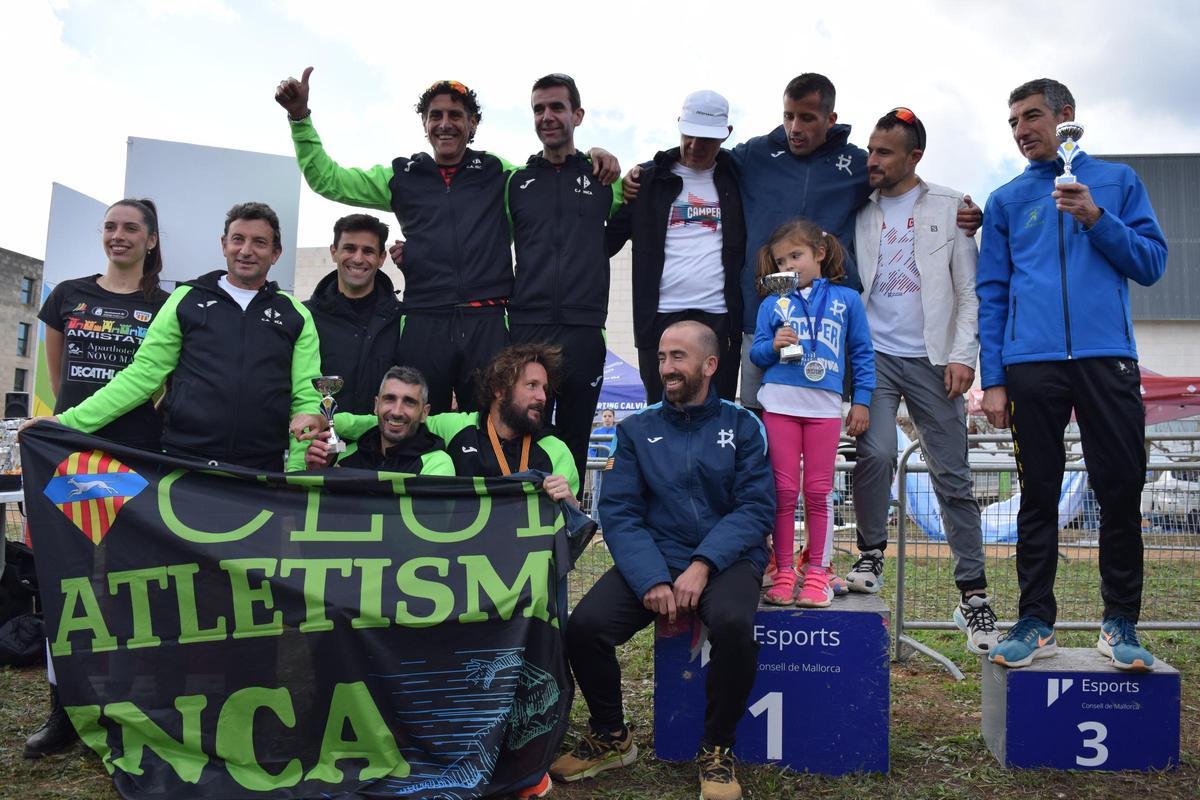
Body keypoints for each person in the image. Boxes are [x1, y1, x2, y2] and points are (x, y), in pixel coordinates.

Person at [275, 68, 617, 415]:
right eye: (434, 116)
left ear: (472, 125)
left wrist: (592, 158)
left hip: (489, 322)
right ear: (424, 126)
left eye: (456, 115)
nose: (445, 123)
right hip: (425, 321)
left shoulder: (499, 173)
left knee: (493, 429)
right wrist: (300, 118)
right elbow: (328, 180)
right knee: (418, 427)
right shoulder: (400, 176)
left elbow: (553, 178)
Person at [978, 79, 1167, 671]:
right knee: (1037, 495)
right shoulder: (1006, 199)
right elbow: (993, 293)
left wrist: (1096, 217)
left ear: (1067, 118)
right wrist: (995, 377)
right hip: (1030, 364)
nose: (1021, 130)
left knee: (1119, 489)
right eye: (1013, 121)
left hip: (1106, 356)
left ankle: (1120, 624)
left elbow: (1152, 263)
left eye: (1031, 116)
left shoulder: (1117, 181)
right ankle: (1035, 622)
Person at [551, 321, 774, 800]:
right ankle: (612, 735)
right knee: (584, 627)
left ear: (710, 365)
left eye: (678, 357)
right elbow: (620, 511)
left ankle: (717, 750)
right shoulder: (636, 429)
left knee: (734, 624)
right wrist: (652, 577)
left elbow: (755, 507)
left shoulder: (742, 424)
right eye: (661, 358)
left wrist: (704, 564)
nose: (667, 368)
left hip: (727, 558)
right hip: (657, 555)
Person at [731, 74, 981, 411]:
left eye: (807, 118)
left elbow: (903, 180)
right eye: (789, 115)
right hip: (762, 318)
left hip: (830, 326)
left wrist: (964, 211)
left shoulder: (857, 165)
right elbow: (700, 161)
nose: (795, 128)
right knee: (758, 423)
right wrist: (646, 170)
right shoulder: (756, 154)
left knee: (821, 423)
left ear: (830, 119)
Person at [24, 198, 170, 759]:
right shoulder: (67, 295)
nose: (119, 236)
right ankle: (64, 710)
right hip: (74, 460)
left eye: (131, 228)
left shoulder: (166, 305)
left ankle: (130, 708)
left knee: (132, 587)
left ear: (151, 240)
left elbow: (156, 384)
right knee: (70, 583)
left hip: (136, 457)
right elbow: (62, 381)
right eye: (110, 226)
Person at [849, 108, 999, 654]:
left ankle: (973, 597)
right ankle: (869, 554)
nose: (873, 160)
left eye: (885, 152)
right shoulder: (857, 204)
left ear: (914, 157)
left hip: (936, 361)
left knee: (953, 478)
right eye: (871, 149)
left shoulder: (950, 206)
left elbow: (970, 290)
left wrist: (964, 355)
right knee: (877, 452)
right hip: (875, 356)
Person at [27, 202, 324, 472]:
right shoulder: (187, 298)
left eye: (259, 242)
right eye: (238, 239)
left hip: (262, 469)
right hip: (184, 464)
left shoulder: (296, 313)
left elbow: (307, 397)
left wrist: (296, 470)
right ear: (224, 245)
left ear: (276, 253)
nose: (246, 250)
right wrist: (68, 421)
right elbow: (143, 376)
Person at [750, 220, 874, 607]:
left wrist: (863, 399)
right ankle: (785, 571)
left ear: (819, 254)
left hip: (824, 409)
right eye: (780, 261)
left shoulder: (847, 299)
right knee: (784, 493)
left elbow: (862, 353)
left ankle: (817, 573)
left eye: (796, 256)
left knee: (819, 492)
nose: (789, 265)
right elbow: (755, 354)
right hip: (780, 405)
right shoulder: (772, 303)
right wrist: (773, 345)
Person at [506, 74, 622, 485]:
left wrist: (603, 157)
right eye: (538, 108)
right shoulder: (515, 182)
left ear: (578, 114)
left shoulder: (605, 178)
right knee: (522, 435)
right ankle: (518, 532)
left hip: (583, 329)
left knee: (572, 440)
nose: (547, 116)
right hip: (527, 329)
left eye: (556, 107)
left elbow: (622, 228)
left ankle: (566, 536)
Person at [606, 90, 744, 403]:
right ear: (679, 124)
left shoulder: (738, 178)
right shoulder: (647, 180)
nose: (695, 146)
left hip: (719, 317)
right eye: (690, 135)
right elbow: (605, 240)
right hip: (659, 317)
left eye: (707, 139)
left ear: (727, 135)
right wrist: (609, 177)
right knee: (660, 415)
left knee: (716, 412)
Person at [304, 214, 403, 414]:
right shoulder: (304, 317)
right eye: (349, 248)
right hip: (320, 443)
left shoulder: (402, 319)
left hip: (385, 442)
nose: (358, 259)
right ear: (333, 252)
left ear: (381, 258)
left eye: (368, 251)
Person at [304, 366, 453, 475]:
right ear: (376, 405)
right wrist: (318, 474)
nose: (396, 411)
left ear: (424, 413)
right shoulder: (345, 454)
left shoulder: (437, 463)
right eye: (389, 399)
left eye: (409, 402)